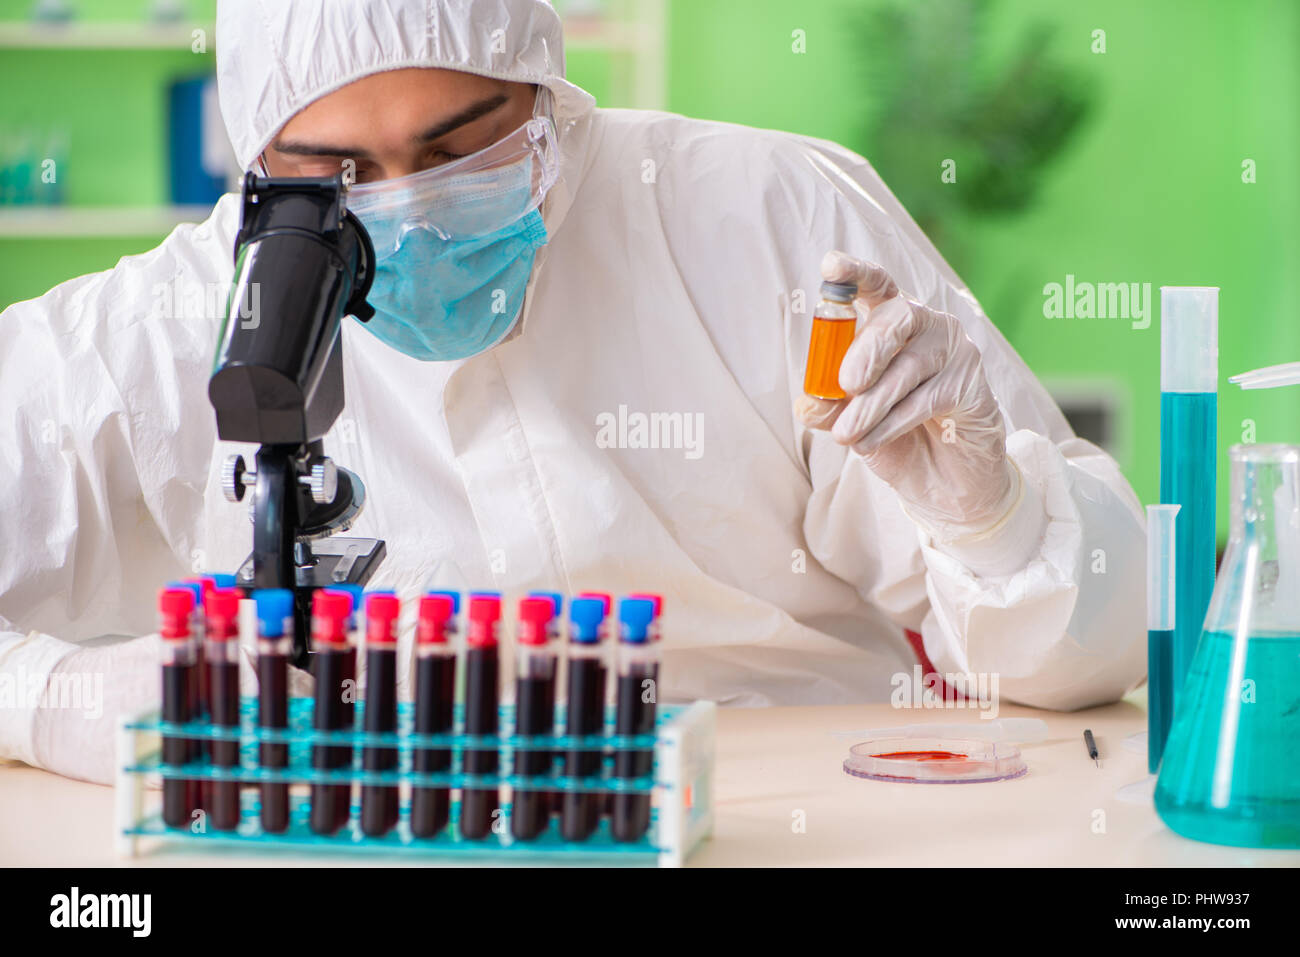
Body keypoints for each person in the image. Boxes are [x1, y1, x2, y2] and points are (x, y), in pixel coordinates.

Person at [0, 0, 1145, 785]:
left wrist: (991, 523)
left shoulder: (770, 218)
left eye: (464, 146)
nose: (411, 211)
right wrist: (52, 699)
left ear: (543, 87)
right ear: (262, 169)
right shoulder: (168, 321)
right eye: (336, 176)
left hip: (792, 823)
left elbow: (1095, 666)